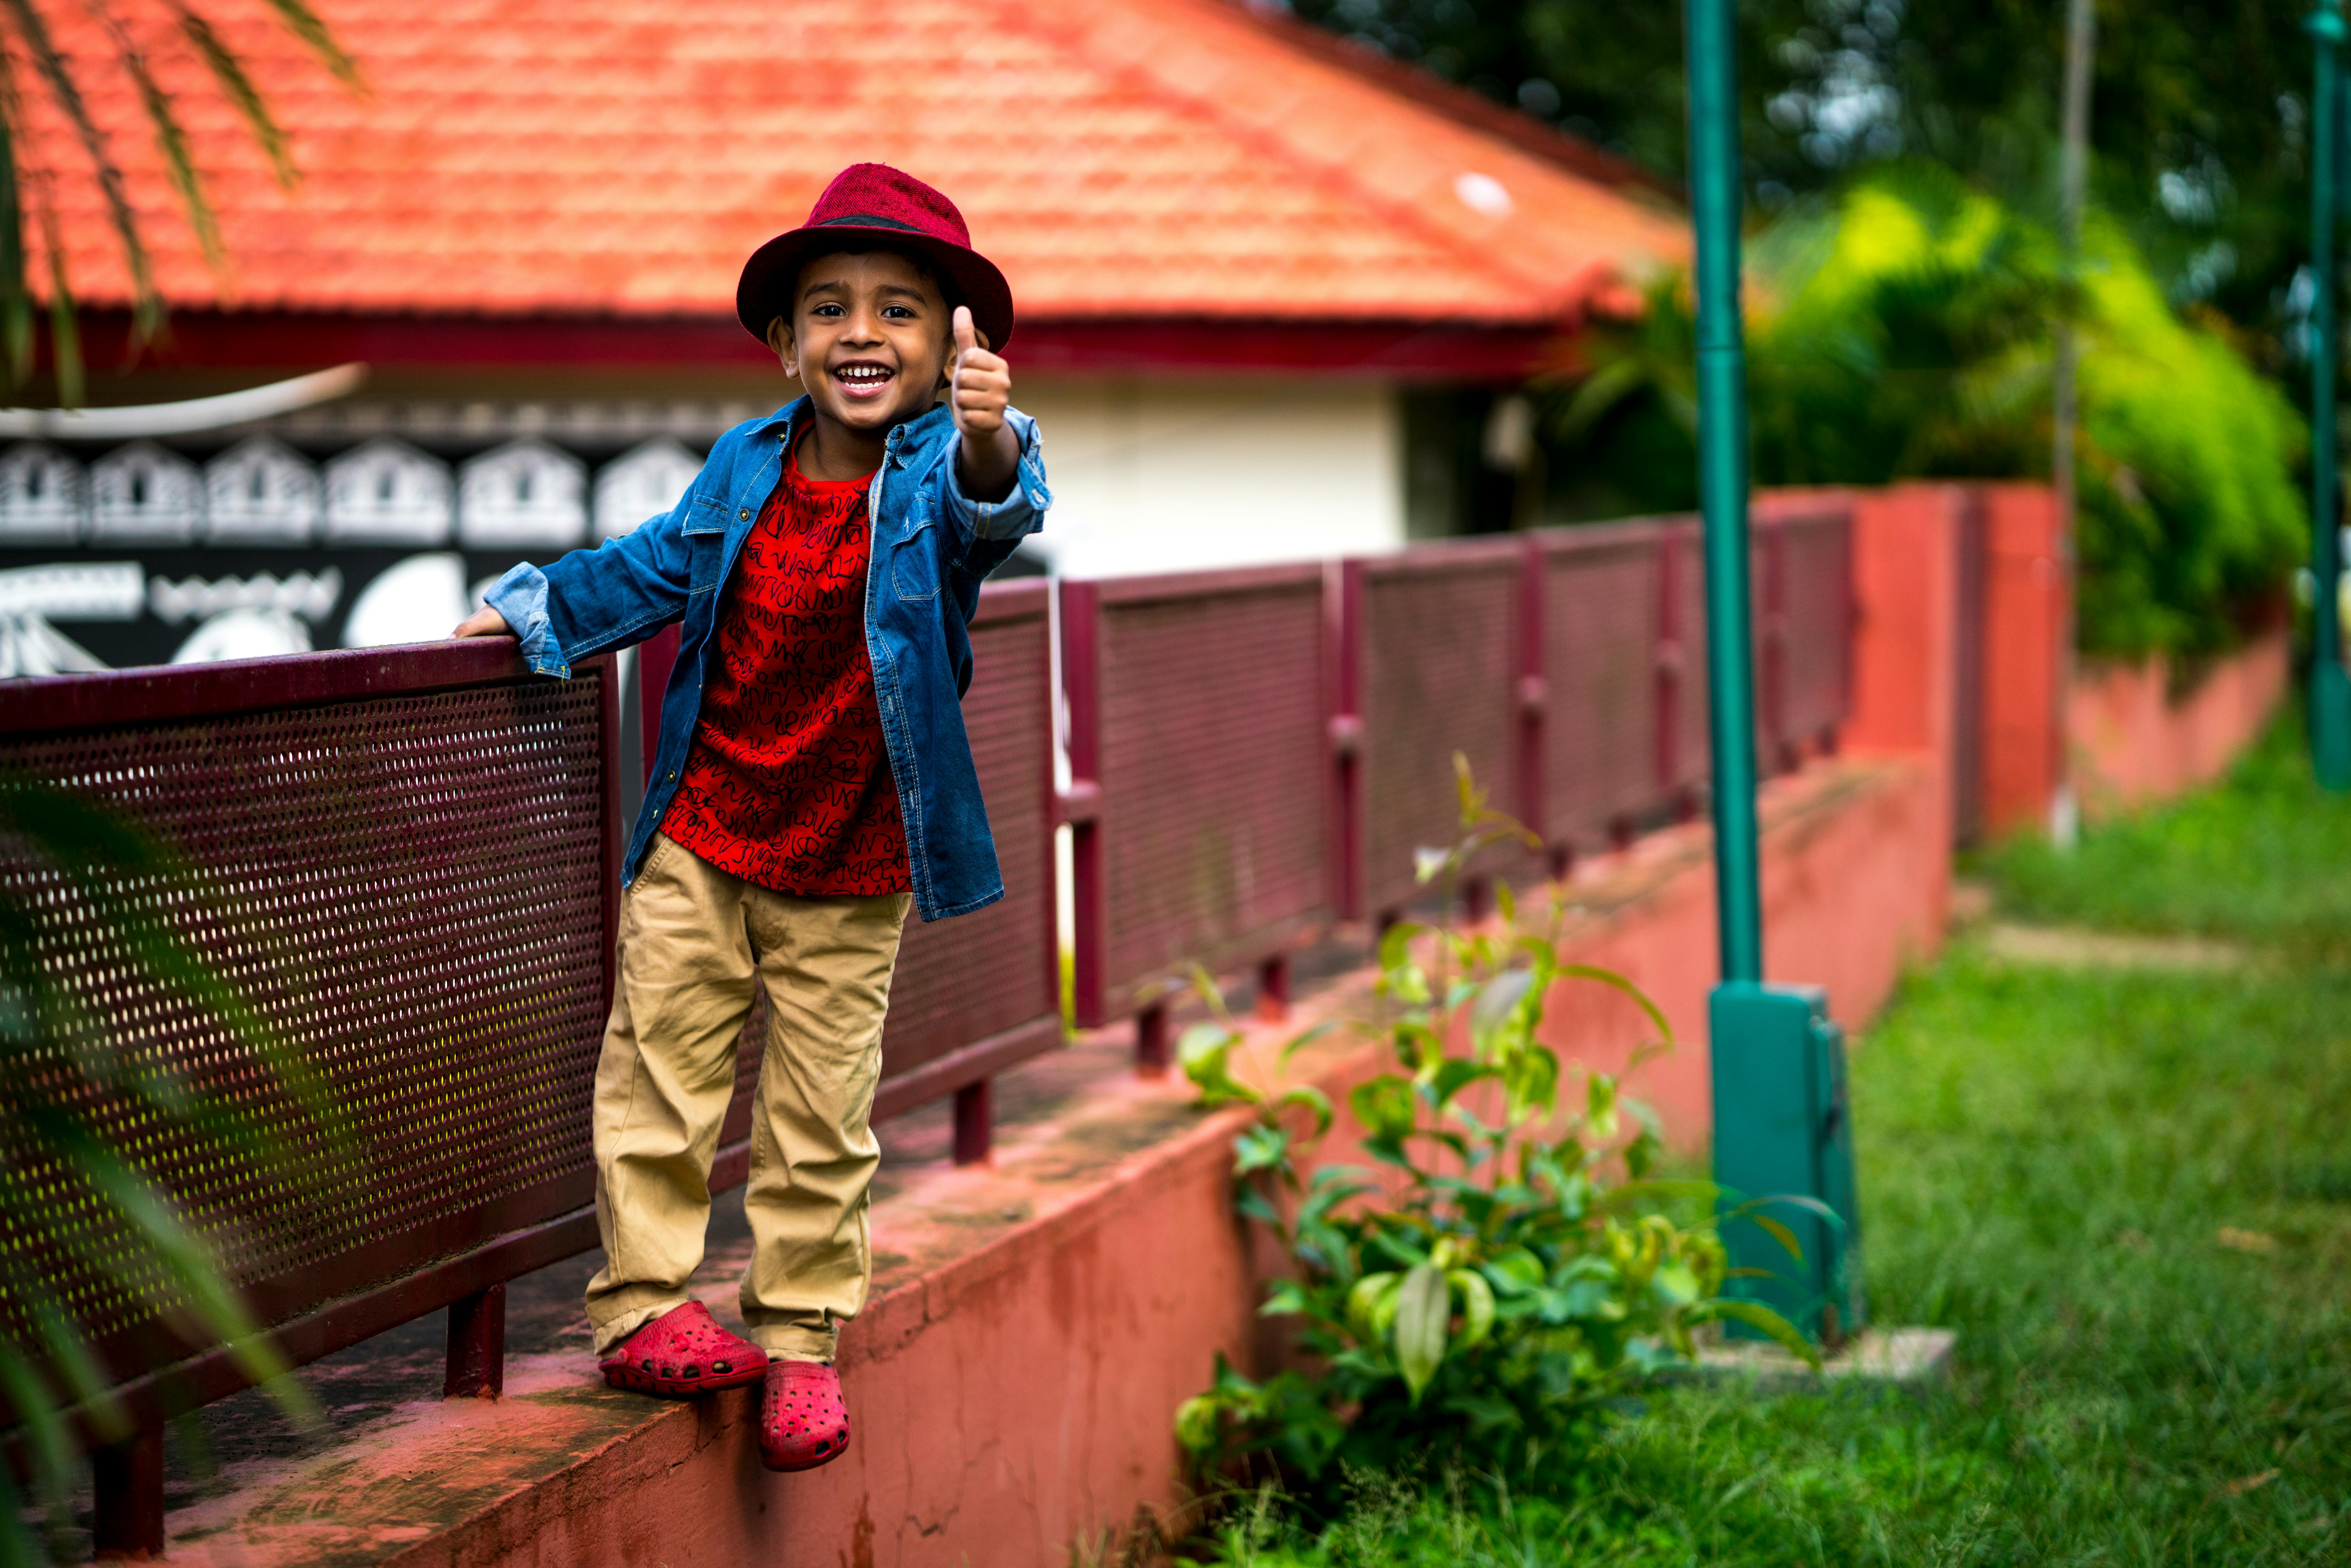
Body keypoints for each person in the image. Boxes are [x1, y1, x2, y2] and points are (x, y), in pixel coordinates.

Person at [451, 163, 1047, 1473]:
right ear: (783, 342)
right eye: (827, 309)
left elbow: (998, 509)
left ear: (953, 347)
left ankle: (800, 1344)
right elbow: (657, 564)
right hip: (708, 823)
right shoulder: (742, 464)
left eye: (900, 311)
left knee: (816, 1113)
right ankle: (645, 1305)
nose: (859, 335)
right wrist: (535, 609)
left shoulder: (947, 469)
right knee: (656, 1067)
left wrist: (992, 428)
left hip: (854, 848)